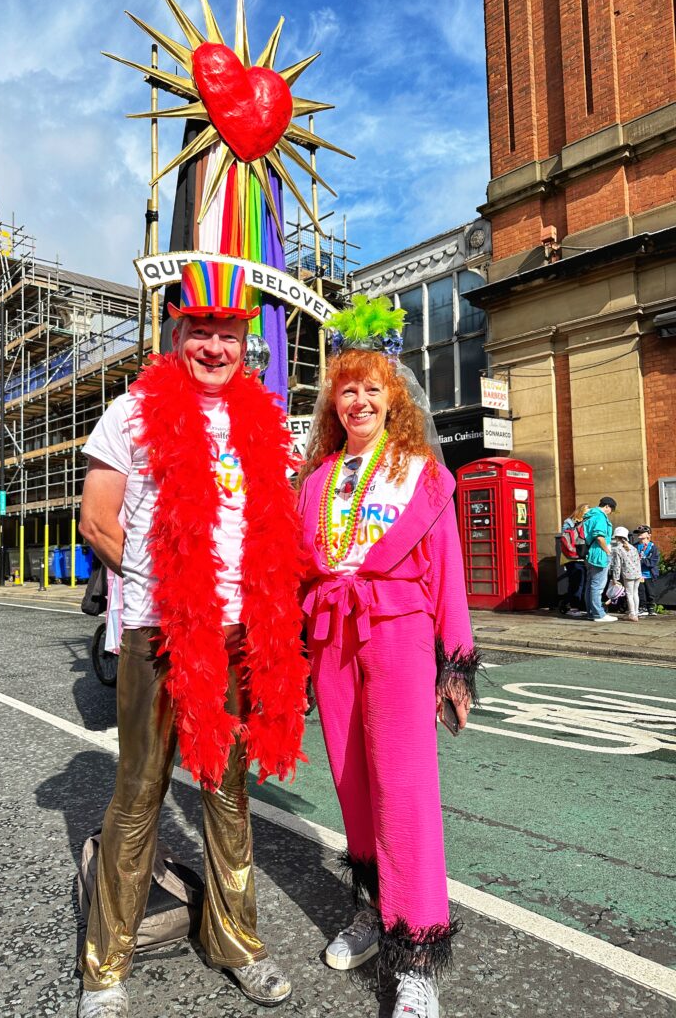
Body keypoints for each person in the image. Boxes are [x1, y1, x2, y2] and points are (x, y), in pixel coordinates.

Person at [76, 261, 309, 1017]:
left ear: (245, 342)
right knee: (140, 793)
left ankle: (236, 942)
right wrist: (161, 586)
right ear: (178, 332)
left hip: (242, 633)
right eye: (201, 330)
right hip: (161, 630)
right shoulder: (132, 412)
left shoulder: (262, 418)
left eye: (228, 333)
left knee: (228, 794)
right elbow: (97, 522)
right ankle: (104, 966)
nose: (214, 345)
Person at [297, 296, 480, 1018]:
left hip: (400, 637)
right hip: (332, 641)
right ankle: (374, 914)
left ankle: (419, 958)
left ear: (394, 395)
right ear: (334, 398)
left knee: (404, 796)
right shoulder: (314, 482)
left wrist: (455, 666)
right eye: (349, 385)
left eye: (374, 386)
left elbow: (448, 573)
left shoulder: (423, 476)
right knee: (352, 787)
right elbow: (300, 574)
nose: (360, 398)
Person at [583, 497, 617, 622]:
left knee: (590, 585)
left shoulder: (589, 515)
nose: (610, 512)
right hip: (599, 554)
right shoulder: (600, 516)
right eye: (611, 510)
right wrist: (608, 552)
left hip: (590, 553)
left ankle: (591, 613)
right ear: (607, 506)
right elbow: (599, 537)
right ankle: (599, 614)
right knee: (597, 586)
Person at [560, 502, 589, 615]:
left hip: (583, 557)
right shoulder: (569, 522)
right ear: (580, 511)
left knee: (583, 583)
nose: (588, 514)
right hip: (571, 558)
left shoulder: (587, 523)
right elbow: (565, 538)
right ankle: (572, 606)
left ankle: (579, 605)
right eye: (586, 512)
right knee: (576, 583)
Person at [608, 527, 642, 622]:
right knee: (635, 593)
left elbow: (617, 566)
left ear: (616, 537)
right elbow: (638, 562)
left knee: (629, 594)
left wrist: (615, 578)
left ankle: (632, 614)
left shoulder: (617, 549)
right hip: (637, 573)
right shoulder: (633, 548)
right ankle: (635, 612)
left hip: (628, 574)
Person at [634, 526, 661, 615]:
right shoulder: (634, 546)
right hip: (638, 574)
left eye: (641, 532)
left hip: (649, 574)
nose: (639, 534)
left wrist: (641, 561)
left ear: (648, 535)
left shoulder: (653, 547)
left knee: (650, 592)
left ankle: (651, 608)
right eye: (638, 532)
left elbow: (652, 562)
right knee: (640, 591)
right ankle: (643, 608)